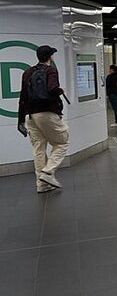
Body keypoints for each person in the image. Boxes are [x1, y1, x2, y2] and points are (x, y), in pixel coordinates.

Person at [17, 45, 68, 193]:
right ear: (50, 57)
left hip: (30, 116)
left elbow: (22, 97)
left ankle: (41, 184)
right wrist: (61, 90)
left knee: (38, 149)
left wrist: (20, 120)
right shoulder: (50, 70)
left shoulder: (27, 73)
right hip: (47, 113)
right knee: (61, 143)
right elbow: (52, 89)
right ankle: (48, 173)